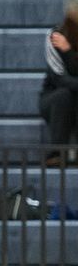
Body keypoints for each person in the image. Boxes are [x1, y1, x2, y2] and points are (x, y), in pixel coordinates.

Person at [39, 12, 78, 165]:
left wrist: (67, 52)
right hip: (54, 98)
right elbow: (59, 79)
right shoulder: (55, 35)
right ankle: (57, 152)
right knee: (65, 95)